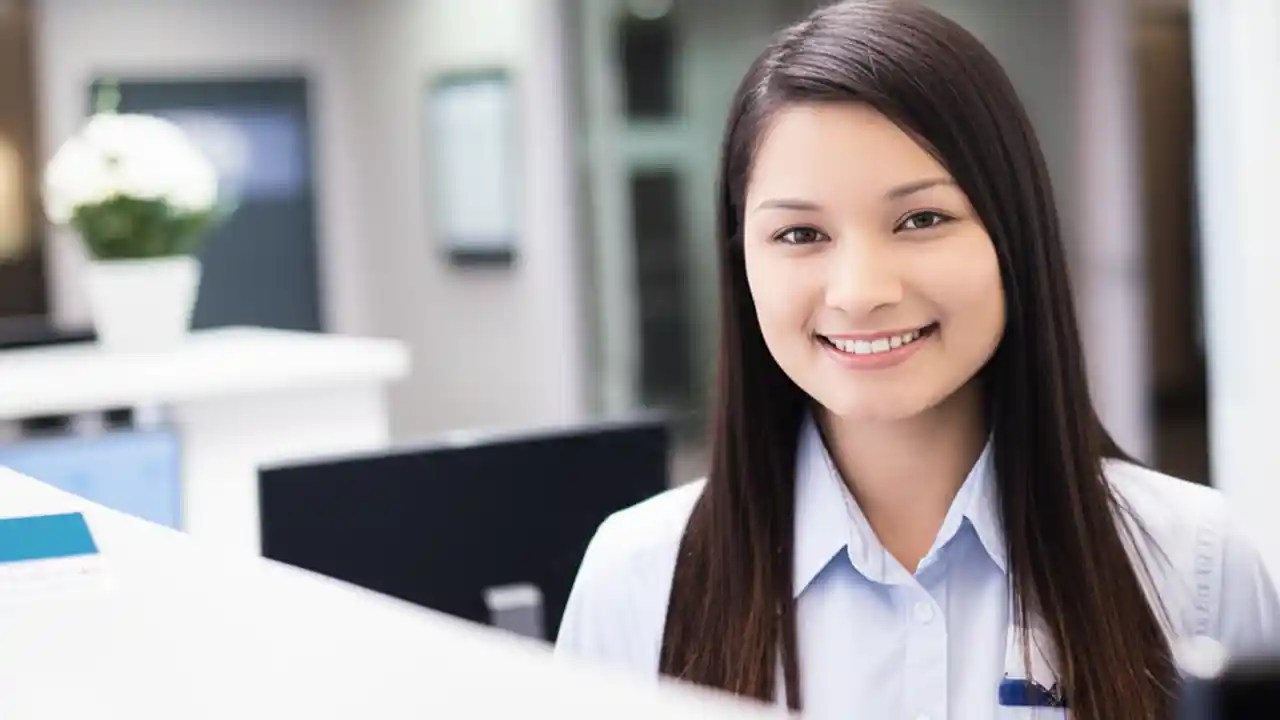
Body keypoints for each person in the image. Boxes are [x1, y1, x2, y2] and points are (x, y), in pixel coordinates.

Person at [554, 1, 1280, 719]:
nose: (862, 292)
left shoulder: (1194, 562)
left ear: (1011, 233)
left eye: (921, 219)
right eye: (801, 234)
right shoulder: (639, 578)